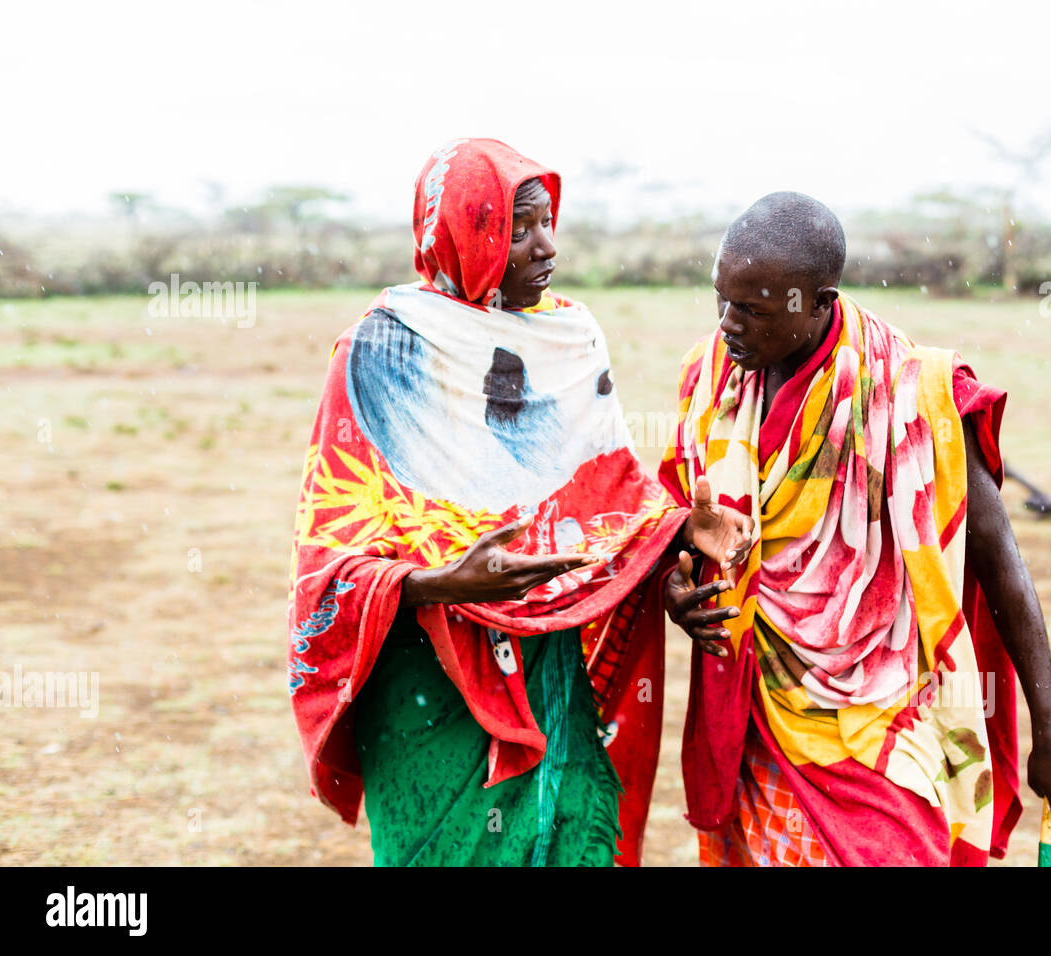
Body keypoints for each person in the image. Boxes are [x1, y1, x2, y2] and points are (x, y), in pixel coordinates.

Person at [287, 138, 749, 867]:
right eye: (519, 227)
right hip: (426, 676)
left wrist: (681, 541)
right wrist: (443, 584)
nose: (547, 247)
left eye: (548, 223)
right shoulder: (379, 355)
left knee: (568, 833)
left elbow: (613, 503)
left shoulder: (569, 339)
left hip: (546, 665)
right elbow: (325, 561)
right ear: (464, 235)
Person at [658, 191, 1051, 866]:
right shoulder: (709, 376)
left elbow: (998, 553)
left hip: (881, 703)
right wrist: (675, 593)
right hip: (754, 702)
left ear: (819, 302)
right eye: (722, 301)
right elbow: (681, 526)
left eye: (754, 310)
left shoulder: (911, 392)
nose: (729, 324)